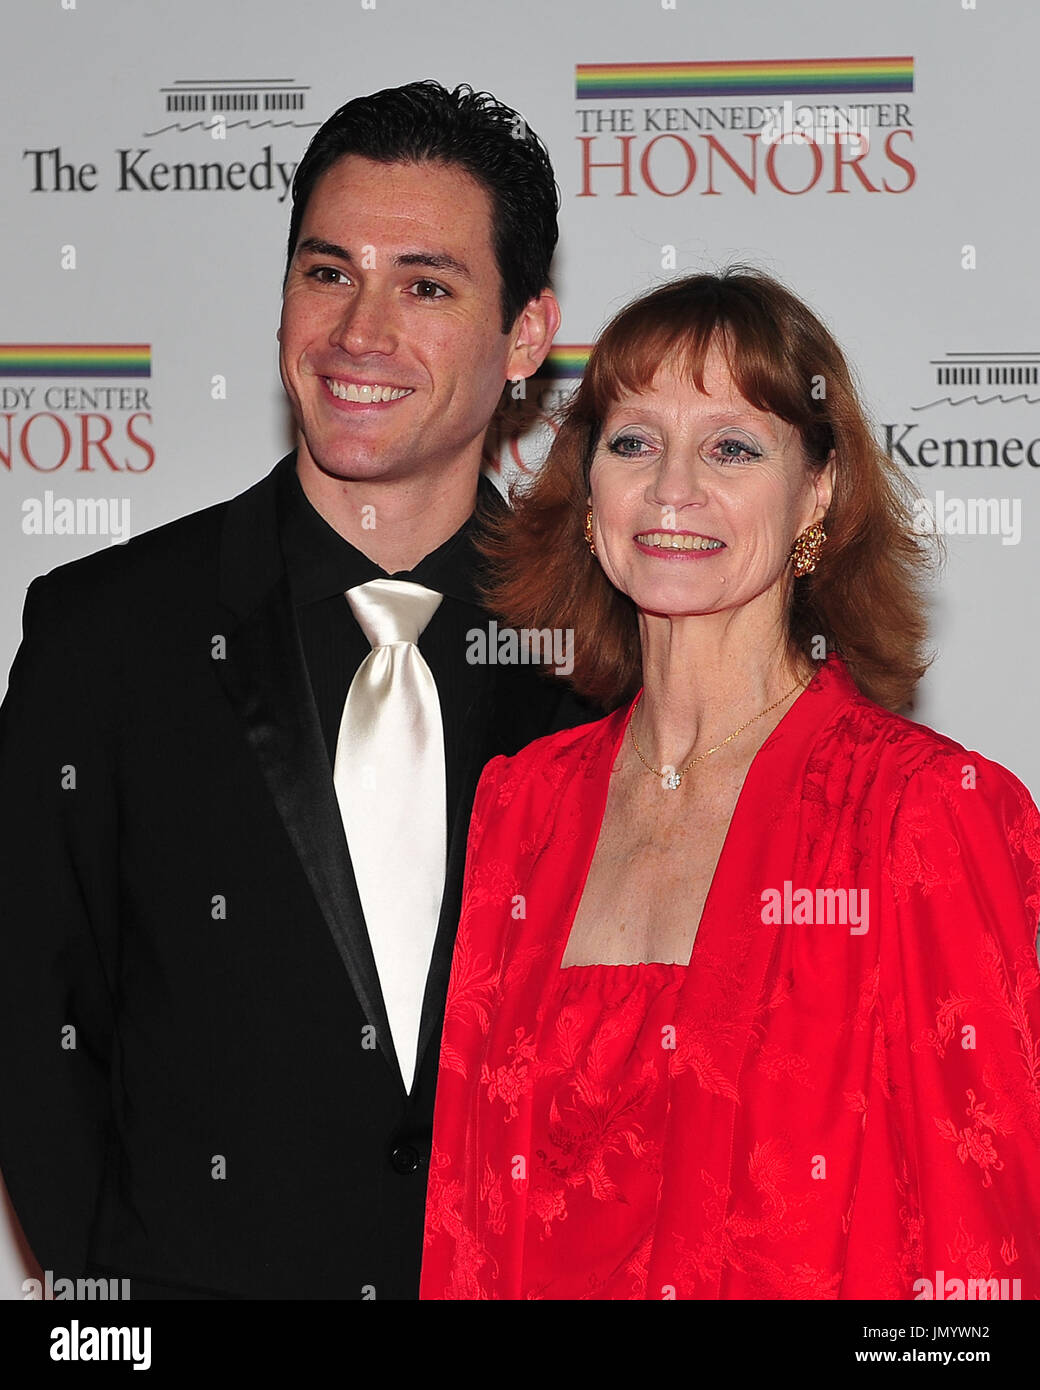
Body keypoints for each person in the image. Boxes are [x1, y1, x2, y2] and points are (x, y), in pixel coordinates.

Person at [0, 80, 596, 1300]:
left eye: (425, 286)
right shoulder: (105, 636)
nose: (358, 333)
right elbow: (30, 1022)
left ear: (526, 335)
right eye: (328, 273)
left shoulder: (602, 651)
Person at [420, 268, 1040, 1300]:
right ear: (587, 495)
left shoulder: (923, 815)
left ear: (818, 491)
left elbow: (981, 1249)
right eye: (631, 442)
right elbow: (467, 1218)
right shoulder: (519, 807)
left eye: (731, 447)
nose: (671, 489)